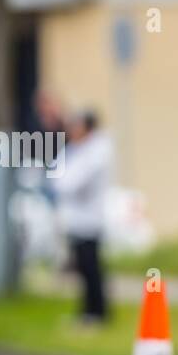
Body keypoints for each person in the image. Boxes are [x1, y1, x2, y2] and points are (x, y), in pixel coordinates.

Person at [53, 108, 110, 324]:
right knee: (82, 269)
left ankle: (97, 312)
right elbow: (57, 174)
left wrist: (63, 183)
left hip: (89, 218)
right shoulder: (78, 149)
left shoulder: (97, 151)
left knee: (91, 267)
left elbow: (73, 182)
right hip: (76, 218)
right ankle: (87, 310)